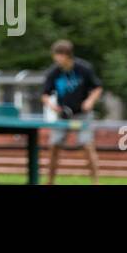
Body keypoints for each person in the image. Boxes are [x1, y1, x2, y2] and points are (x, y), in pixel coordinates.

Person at [41, 39, 104, 184]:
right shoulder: (54, 72)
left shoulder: (84, 69)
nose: (55, 58)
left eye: (58, 55)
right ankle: (49, 181)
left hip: (82, 114)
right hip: (63, 115)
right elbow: (44, 95)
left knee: (86, 144)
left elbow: (97, 88)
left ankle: (96, 182)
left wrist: (90, 101)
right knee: (54, 144)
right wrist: (52, 106)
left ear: (66, 55)